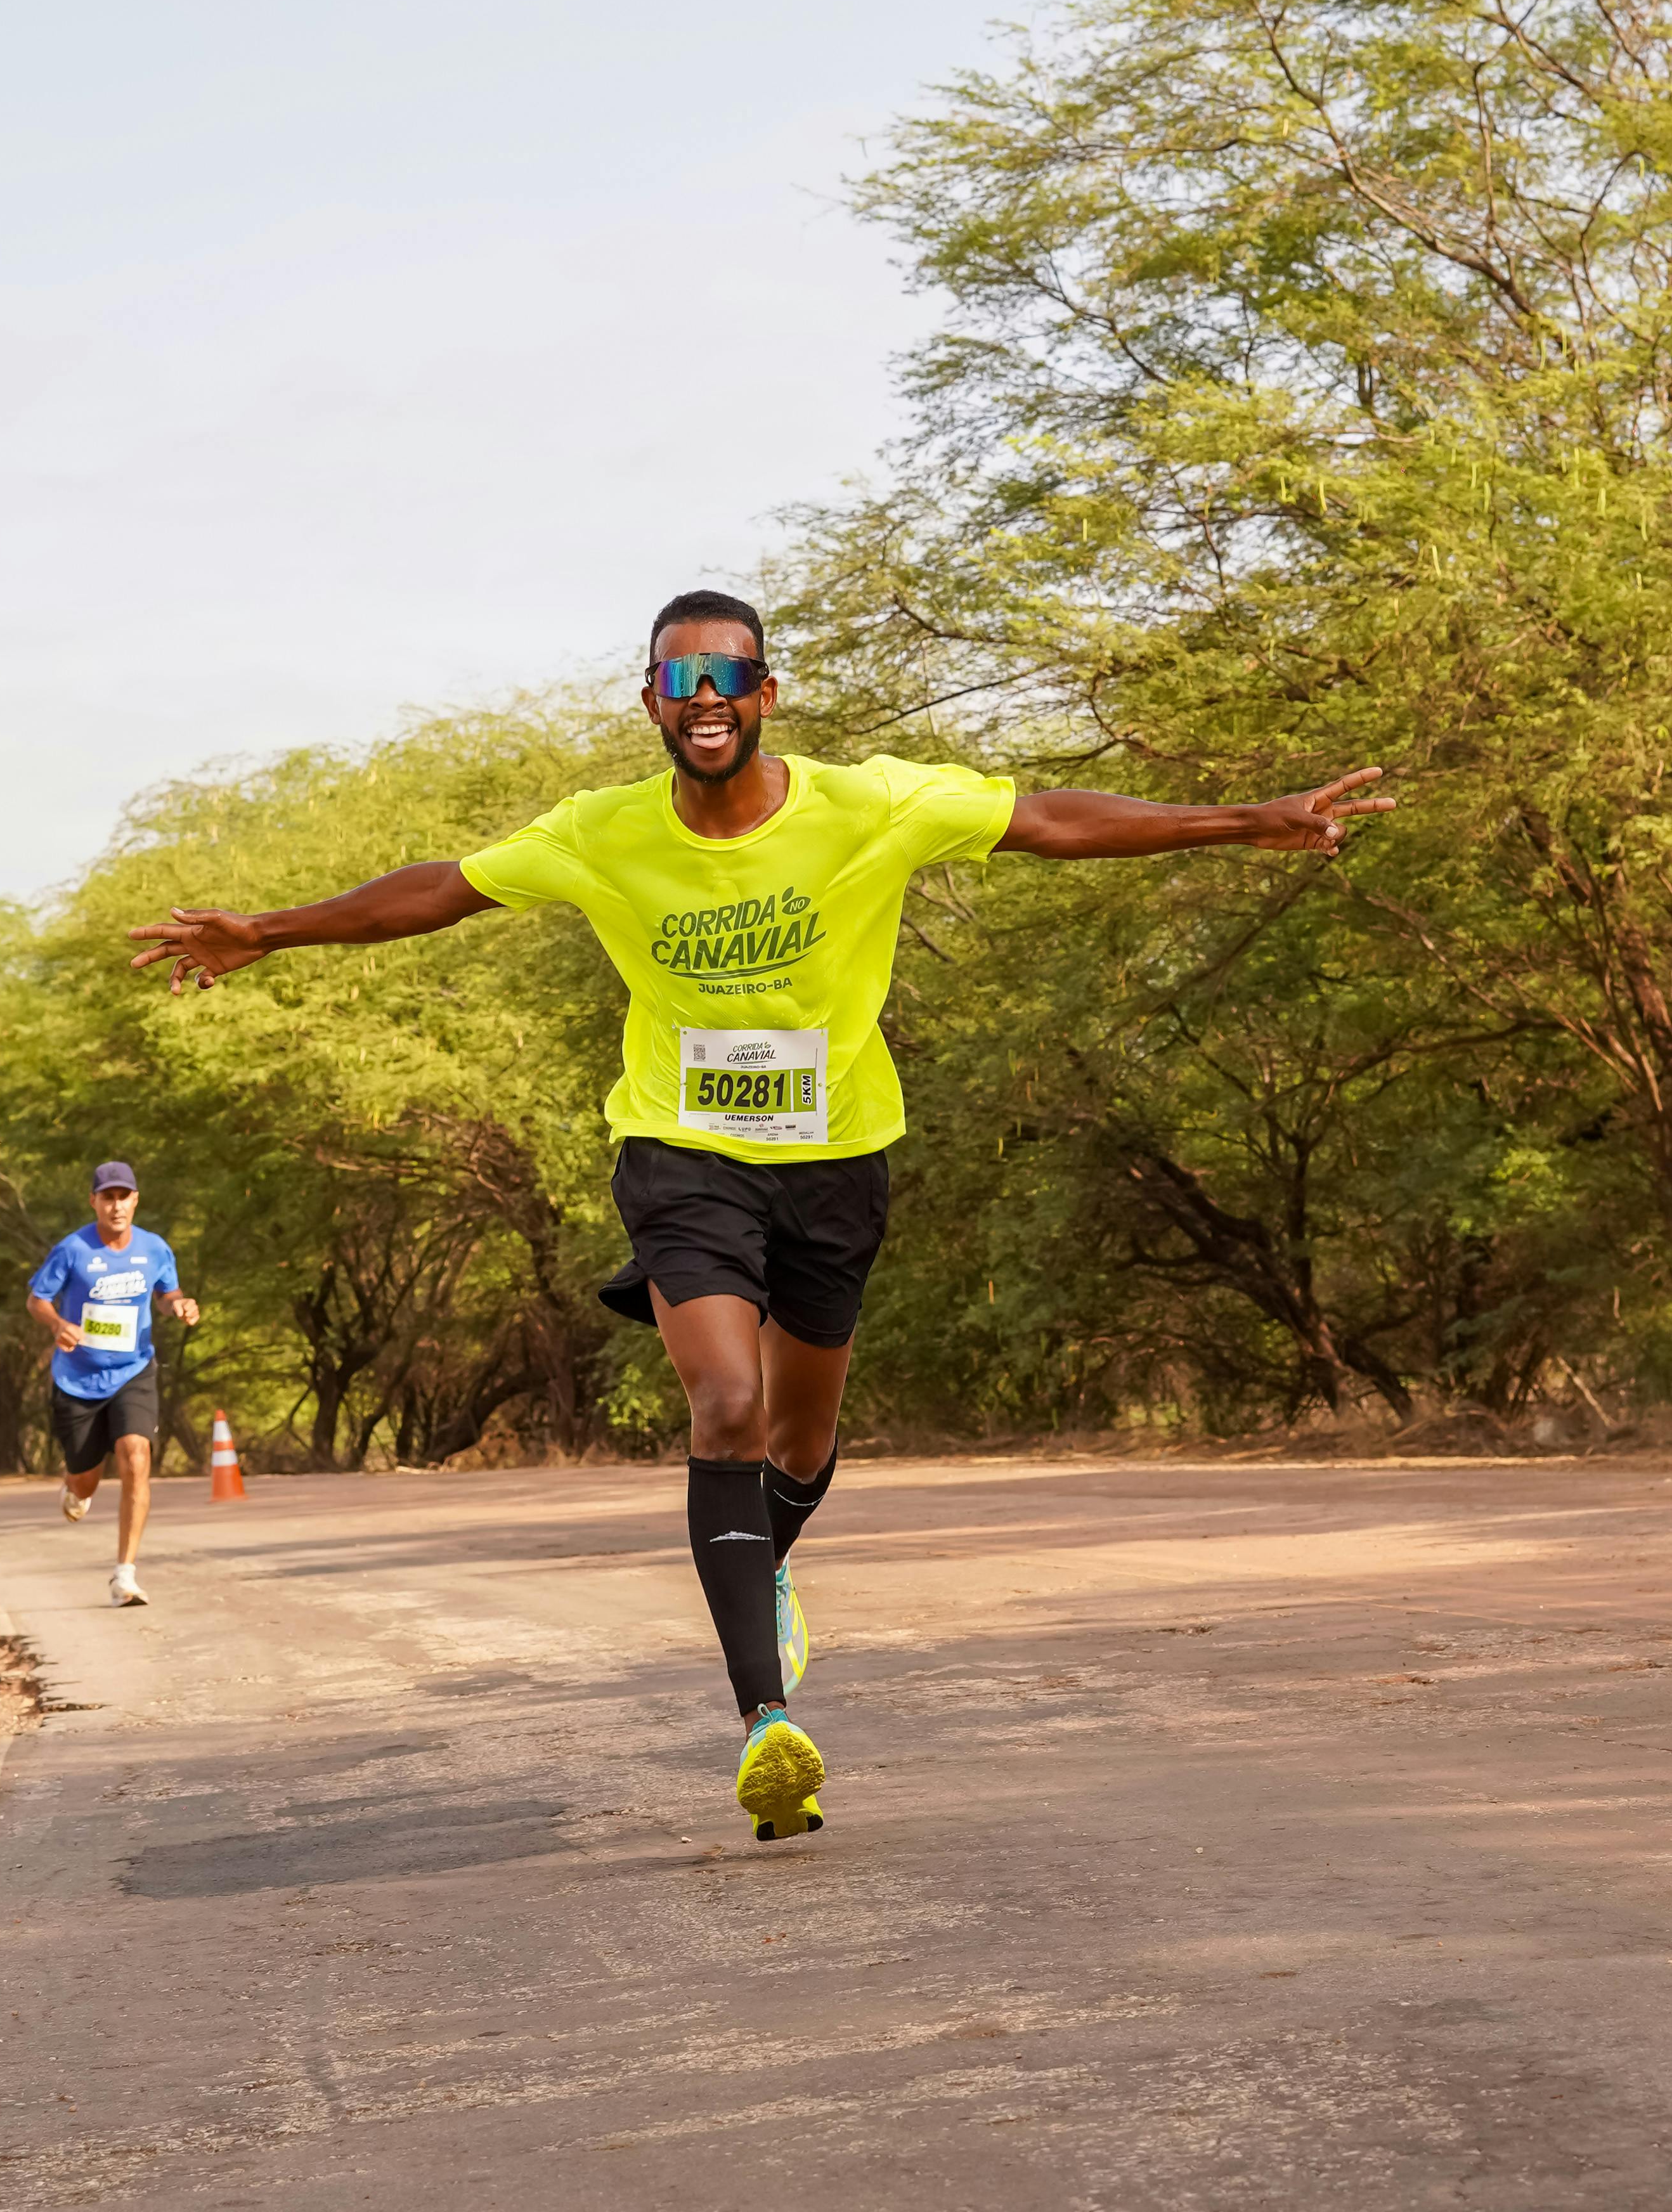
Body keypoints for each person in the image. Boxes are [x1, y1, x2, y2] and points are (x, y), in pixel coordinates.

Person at [125, 588, 1394, 1834]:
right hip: (684, 1152)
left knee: (798, 1439)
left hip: (840, 1155)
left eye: (727, 675)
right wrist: (273, 932)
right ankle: (764, 1718)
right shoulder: (601, 829)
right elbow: (439, 889)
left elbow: (1051, 818)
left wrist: (1241, 820)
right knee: (724, 1401)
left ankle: (764, 1557)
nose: (705, 698)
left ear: (766, 694)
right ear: (650, 706)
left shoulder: (871, 802)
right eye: (679, 681)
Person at [27, 1160, 200, 1607]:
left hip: (133, 1371)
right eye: (108, 1197)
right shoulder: (72, 1249)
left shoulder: (155, 1248)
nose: (116, 1205)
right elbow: (37, 1299)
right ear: (94, 1202)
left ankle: (125, 1574)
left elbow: (167, 1295)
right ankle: (75, 1486)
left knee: (135, 1455)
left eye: (124, 1196)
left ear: (136, 1200)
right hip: (78, 1378)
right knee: (86, 1481)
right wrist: (58, 1324)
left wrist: (179, 1307)